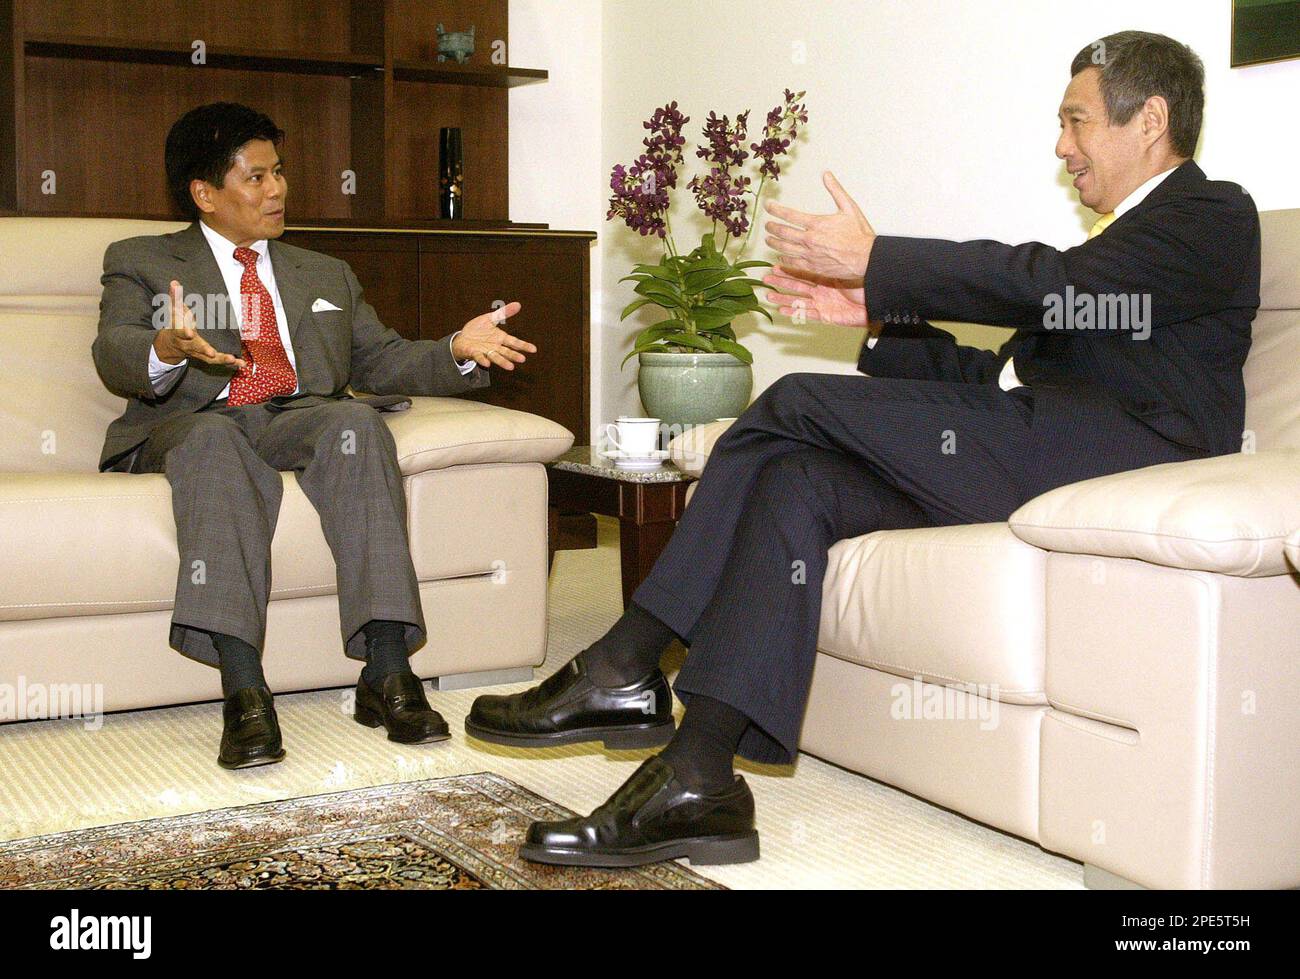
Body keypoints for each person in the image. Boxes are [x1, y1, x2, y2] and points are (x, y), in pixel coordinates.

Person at [467, 31, 1261, 867]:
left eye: (1077, 121)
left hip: (1118, 464)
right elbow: (1000, 378)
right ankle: (700, 775)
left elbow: (1046, 283)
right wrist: (883, 319)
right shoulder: (1113, 253)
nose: (1061, 145)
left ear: (1152, 120)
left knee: (796, 399)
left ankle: (626, 661)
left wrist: (881, 260)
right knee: (796, 477)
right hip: (1032, 444)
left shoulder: (1210, 216)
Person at [93, 102, 536, 770]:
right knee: (216, 445)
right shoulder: (144, 261)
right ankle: (245, 690)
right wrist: (168, 342)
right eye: (257, 177)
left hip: (297, 418)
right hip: (194, 423)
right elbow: (114, 350)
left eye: (279, 173)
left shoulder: (324, 272)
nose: (277, 191)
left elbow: (382, 360)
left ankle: (386, 673)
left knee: (357, 421)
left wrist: (458, 349)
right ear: (205, 193)